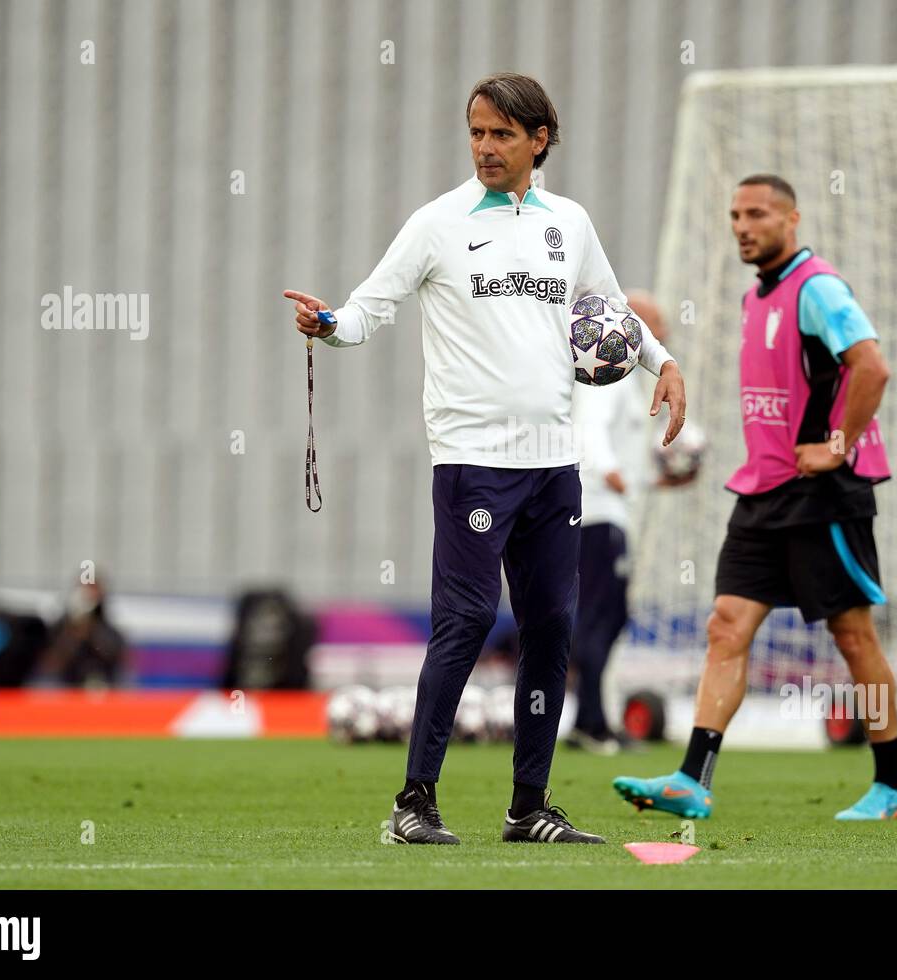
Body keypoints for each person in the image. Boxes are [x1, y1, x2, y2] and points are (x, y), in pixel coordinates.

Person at [285, 73, 686, 844]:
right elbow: (371, 308)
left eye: (502, 134)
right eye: (476, 131)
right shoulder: (438, 222)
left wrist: (661, 361)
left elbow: (611, 313)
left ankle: (529, 807)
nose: (485, 147)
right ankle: (413, 804)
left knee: (553, 630)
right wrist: (329, 322)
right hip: (471, 460)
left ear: (540, 140)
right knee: (464, 623)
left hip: (553, 466)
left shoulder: (569, 223)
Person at [612, 174, 897, 821]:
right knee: (726, 626)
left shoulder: (819, 290)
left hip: (823, 494)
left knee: (853, 636)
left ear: (792, 219)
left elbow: (873, 366)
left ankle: (891, 784)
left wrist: (837, 443)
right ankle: (693, 778)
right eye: (735, 215)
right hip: (763, 491)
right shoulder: (757, 297)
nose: (743, 226)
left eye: (758, 214)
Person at [567, 290, 689, 754]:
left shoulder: (629, 383)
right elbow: (590, 429)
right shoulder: (611, 375)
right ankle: (591, 723)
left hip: (609, 510)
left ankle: (593, 719)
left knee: (607, 616)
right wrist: (607, 471)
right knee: (601, 617)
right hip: (596, 514)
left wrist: (654, 483)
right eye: (654, 322)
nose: (663, 333)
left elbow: (623, 455)